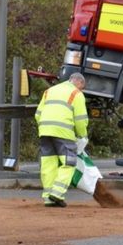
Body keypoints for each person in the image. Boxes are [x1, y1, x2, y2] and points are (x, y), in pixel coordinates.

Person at [35, 72, 89, 207]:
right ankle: (57, 194)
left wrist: (45, 127)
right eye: (82, 87)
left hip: (45, 131)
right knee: (69, 163)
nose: (81, 89)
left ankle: (48, 198)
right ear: (79, 83)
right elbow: (80, 119)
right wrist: (82, 135)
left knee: (49, 164)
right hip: (63, 132)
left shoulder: (49, 91)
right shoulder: (77, 94)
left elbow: (38, 114)